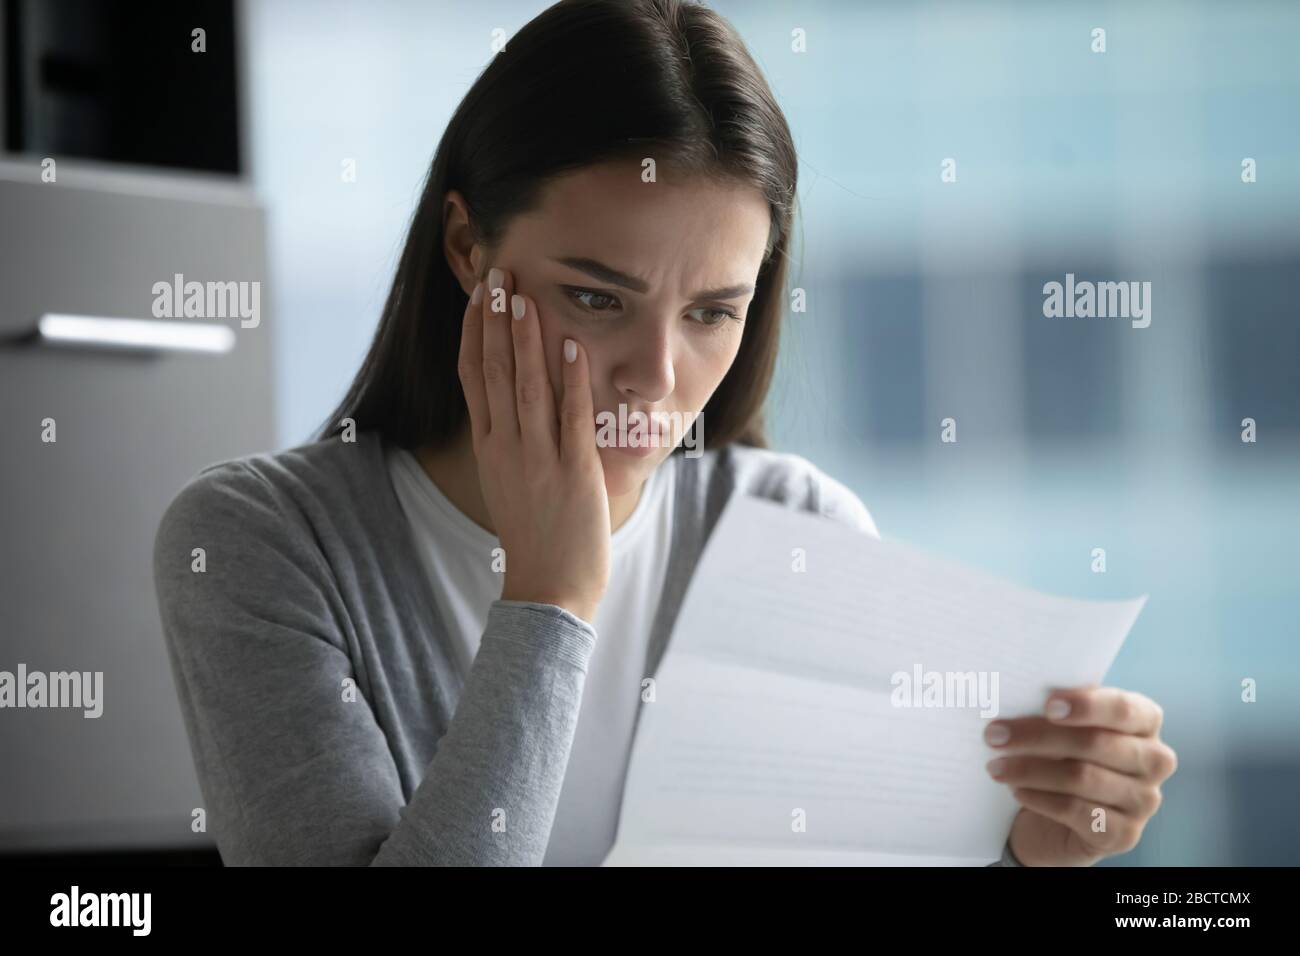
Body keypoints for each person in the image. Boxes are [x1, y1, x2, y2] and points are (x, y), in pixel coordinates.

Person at [152, 0, 1175, 867]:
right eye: (597, 298)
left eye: (711, 311)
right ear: (469, 248)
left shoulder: (795, 525)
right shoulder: (261, 541)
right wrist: (550, 598)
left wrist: (1020, 851)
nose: (655, 375)